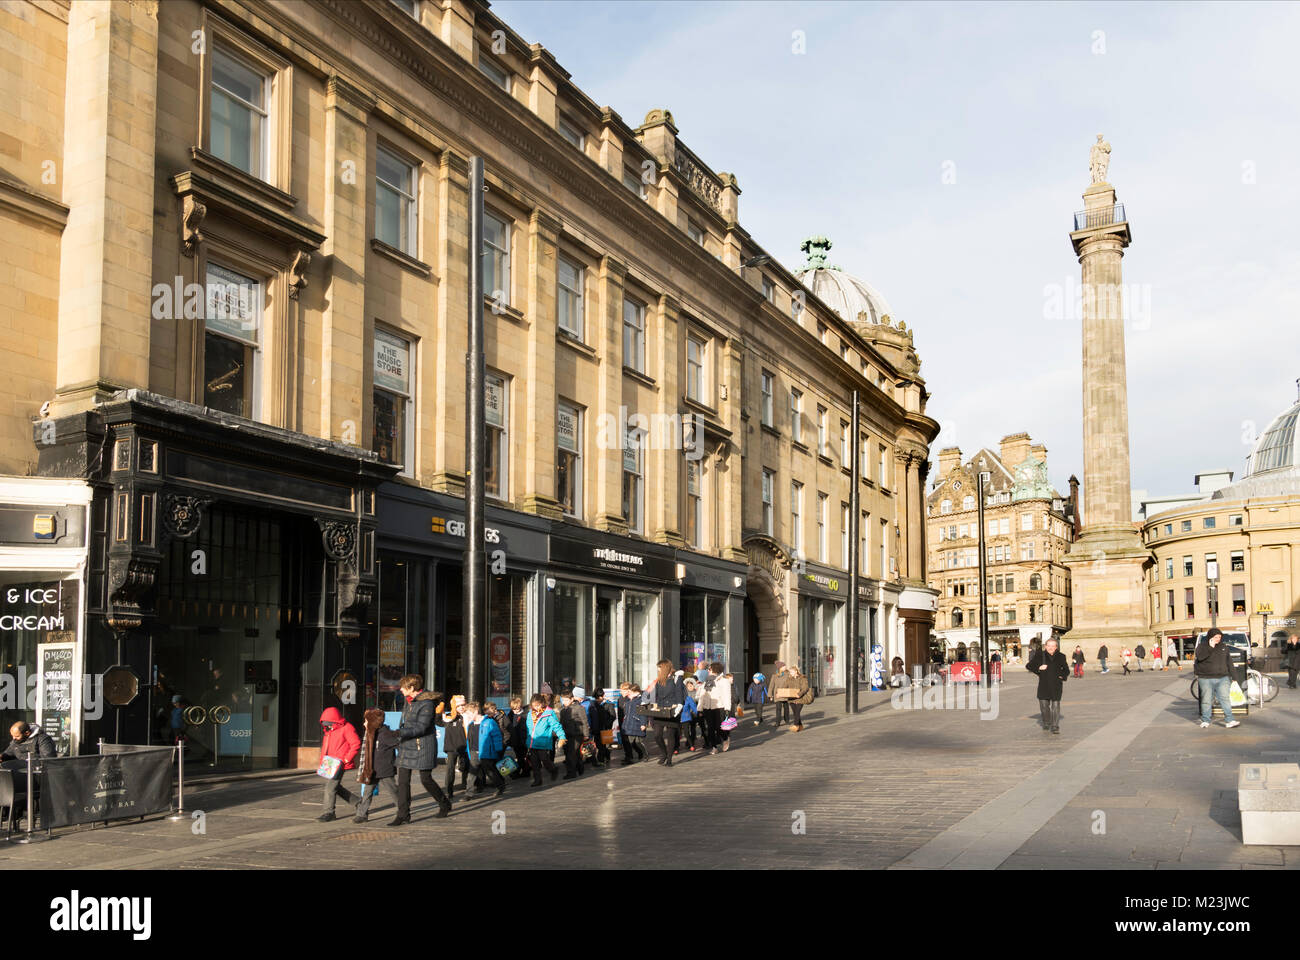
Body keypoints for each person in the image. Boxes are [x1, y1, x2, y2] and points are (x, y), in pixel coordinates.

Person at [391, 674, 452, 826]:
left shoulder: (426, 703)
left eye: (403, 687)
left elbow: (422, 727)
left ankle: (444, 803)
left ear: (412, 688)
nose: (401, 689)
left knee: (426, 779)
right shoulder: (408, 701)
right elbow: (405, 722)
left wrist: (400, 733)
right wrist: (398, 733)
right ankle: (403, 814)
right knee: (403, 781)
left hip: (422, 745)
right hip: (407, 744)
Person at [354, 708, 401, 823]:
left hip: (385, 769)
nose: (364, 723)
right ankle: (362, 814)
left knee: (393, 790)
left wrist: (397, 760)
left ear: (373, 722)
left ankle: (403, 809)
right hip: (371, 769)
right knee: (367, 792)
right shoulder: (370, 734)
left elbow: (398, 744)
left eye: (366, 721)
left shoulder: (385, 734)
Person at [317, 707, 361, 822]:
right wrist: (323, 762)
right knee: (336, 787)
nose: (328, 726)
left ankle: (329, 812)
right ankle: (357, 802)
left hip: (339, 763)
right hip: (330, 763)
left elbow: (356, 744)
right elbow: (325, 748)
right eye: (326, 724)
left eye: (329, 724)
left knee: (330, 787)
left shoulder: (347, 728)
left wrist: (346, 759)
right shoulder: (329, 730)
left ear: (335, 721)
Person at [1194, 628, 1240, 729]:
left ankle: (1230, 720)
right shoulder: (1202, 647)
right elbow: (1200, 657)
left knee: (1225, 699)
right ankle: (1205, 720)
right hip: (1205, 678)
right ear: (1210, 637)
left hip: (1223, 678)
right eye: (1215, 637)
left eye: (1219, 637)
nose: (1218, 639)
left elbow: (1229, 662)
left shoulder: (1224, 647)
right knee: (1206, 700)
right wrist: (1211, 647)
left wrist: (1234, 676)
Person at [642, 659, 685, 766]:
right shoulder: (659, 679)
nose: (658, 670)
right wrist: (646, 701)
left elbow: (679, 692)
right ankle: (664, 753)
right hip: (660, 710)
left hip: (672, 709)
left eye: (659, 668)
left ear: (665, 667)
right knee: (657, 735)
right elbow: (654, 694)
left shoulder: (677, 678)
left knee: (671, 735)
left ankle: (669, 759)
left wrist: (679, 705)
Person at [463, 701, 507, 797]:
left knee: (490, 771)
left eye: (469, 714)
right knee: (472, 773)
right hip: (474, 752)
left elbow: (497, 736)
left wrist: (497, 749)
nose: (468, 716)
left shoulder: (489, 722)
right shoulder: (471, 725)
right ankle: (468, 793)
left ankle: (500, 786)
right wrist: (469, 751)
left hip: (486, 752)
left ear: (475, 712)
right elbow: (469, 740)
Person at [1026, 637, 1070, 735]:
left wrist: (1062, 676)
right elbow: (1029, 666)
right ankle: (1046, 722)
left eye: (1053, 646)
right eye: (1048, 646)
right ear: (1045, 646)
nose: (1050, 648)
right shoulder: (1040, 655)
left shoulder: (1061, 656)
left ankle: (1055, 726)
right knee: (1044, 706)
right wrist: (1038, 668)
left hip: (1056, 685)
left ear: (1056, 647)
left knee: (1055, 705)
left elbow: (1066, 670)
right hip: (1044, 685)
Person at [525, 693, 565, 786]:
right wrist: (527, 740)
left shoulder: (548, 713)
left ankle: (553, 770)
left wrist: (561, 736)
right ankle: (537, 780)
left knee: (545, 759)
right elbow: (528, 728)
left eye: (538, 705)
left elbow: (556, 725)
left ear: (542, 703)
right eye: (534, 706)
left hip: (543, 742)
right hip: (532, 742)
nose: (536, 707)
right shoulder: (530, 714)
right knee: (534, 763)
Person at [438, 695, 472, 802]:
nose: (461, 707)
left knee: (466, 768)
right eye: (459, 706)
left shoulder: (468, 716)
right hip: (452, 747)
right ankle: (449, 791)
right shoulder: (448, 717)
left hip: (465, 747)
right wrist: (441, 707)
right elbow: (437, 720)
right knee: (450, 770)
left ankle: (467, 787)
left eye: (463, 705)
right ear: (454, 706)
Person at [699, 662, 734, 754]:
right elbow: (702, 695)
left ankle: (725, 738)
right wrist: (700, 708)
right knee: (710, 728)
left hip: (719, 707)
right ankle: (714, 747)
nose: (708, 671)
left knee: (719, 727)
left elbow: (727, 695)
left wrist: (727, 708)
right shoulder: (707, 680)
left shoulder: (723, 681)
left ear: (715, 670)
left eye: (709, 669)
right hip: (707, 707)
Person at [559, 689, 590, 779]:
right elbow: (561, 723)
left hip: (576, 734)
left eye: (566, 700)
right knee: (571, 753)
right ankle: (579, 766)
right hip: (566, 735)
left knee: (571, 754)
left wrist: (586, 734)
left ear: (572, 699)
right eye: (563, 700)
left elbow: (584, 721)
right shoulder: (563, 710)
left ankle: (571, 772)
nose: (564, 702)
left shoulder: (579, 708)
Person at [619, 683, 646, 765]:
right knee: (627, 742)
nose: (622, 692)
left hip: (634, 723)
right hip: (625, 723)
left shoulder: (635, 700)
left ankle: (639, 754)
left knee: (634, 742)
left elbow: (642, 713)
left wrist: (643, 723)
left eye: (624, 690)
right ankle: (629, 757)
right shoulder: (623, 699)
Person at [503, 695, 529, 778]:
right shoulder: (511, 715)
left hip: (523, 739)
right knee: (519, 756)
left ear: (520, 706)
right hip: (515, 740)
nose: (515, 711)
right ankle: (520, 771)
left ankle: (524, 771)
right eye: (513, 709)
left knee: (522, 757)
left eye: (516, 709)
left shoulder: (525, 714)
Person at [782, 665, 813, 732]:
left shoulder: (802, 678)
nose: (791, 673)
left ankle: (795, 725)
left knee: (797, 712)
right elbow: (784, 687)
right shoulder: (789, 679)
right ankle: (800, 726)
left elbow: (805, 688)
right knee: (795, 713)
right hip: (791, 698)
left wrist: (799, 694)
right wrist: (780, 692)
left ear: (796, 671)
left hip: (800, 698)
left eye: (792, 672)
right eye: (790, 672)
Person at [766, 662, 794, 727]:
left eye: (785, 666)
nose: (785, 667)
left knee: (786, 708)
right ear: (780, 668)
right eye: (784, 666)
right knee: (778, 708)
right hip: (777, 694)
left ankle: (787, 720)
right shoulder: (774, 675)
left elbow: (791, 682)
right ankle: (777, 722)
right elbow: (771, 685)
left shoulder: (788, 674)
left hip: (785, 693)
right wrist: (770, 695)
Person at [680, 678, 702, 751]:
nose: (689, 687)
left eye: (690, 686)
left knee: (693, 728)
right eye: (688, 686)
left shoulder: (696, 693)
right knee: (686, 730)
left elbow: (696, 704)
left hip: (693, 713)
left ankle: (691, 741)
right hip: (686, 714)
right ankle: (688, 742)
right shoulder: (684, 694)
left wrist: (698, 712)